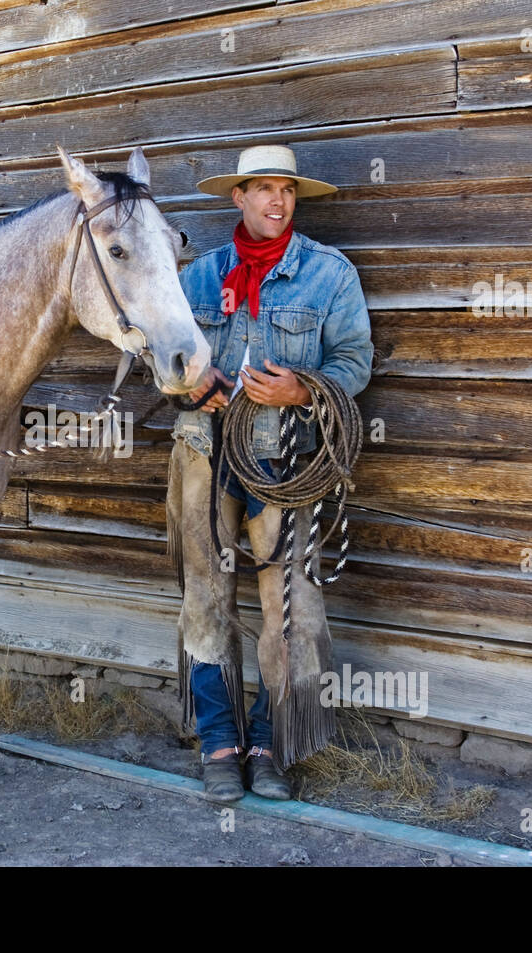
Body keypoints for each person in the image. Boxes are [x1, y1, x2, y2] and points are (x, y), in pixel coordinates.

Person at [168, 145, 373, 801]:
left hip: (288, 454)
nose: (276, 202)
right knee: (205, 594)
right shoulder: (198, 278)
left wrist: (303, 389)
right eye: (262, 189)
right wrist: (195, 388)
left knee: (291, 603)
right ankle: (219, 740)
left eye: (285, 190)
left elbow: (355, 361)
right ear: (239, 197)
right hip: (203, 452)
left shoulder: (329, 274)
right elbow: (165, 362)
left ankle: (271, 741)